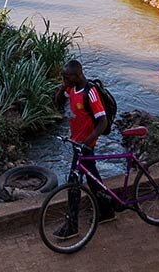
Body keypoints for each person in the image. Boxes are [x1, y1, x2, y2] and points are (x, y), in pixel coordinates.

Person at [52, 60, 116, 238]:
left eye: (67, 76)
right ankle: (107, 211)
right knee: (93, 178)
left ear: (78, 75)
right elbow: (57, 103)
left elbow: (102, 122)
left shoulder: (91, 92)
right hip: (77, 143)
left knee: (74, 184)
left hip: (85, 145)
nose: (65, 79)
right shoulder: (71, 88)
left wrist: (86, 143)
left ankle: (72, 226)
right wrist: (62, 87)